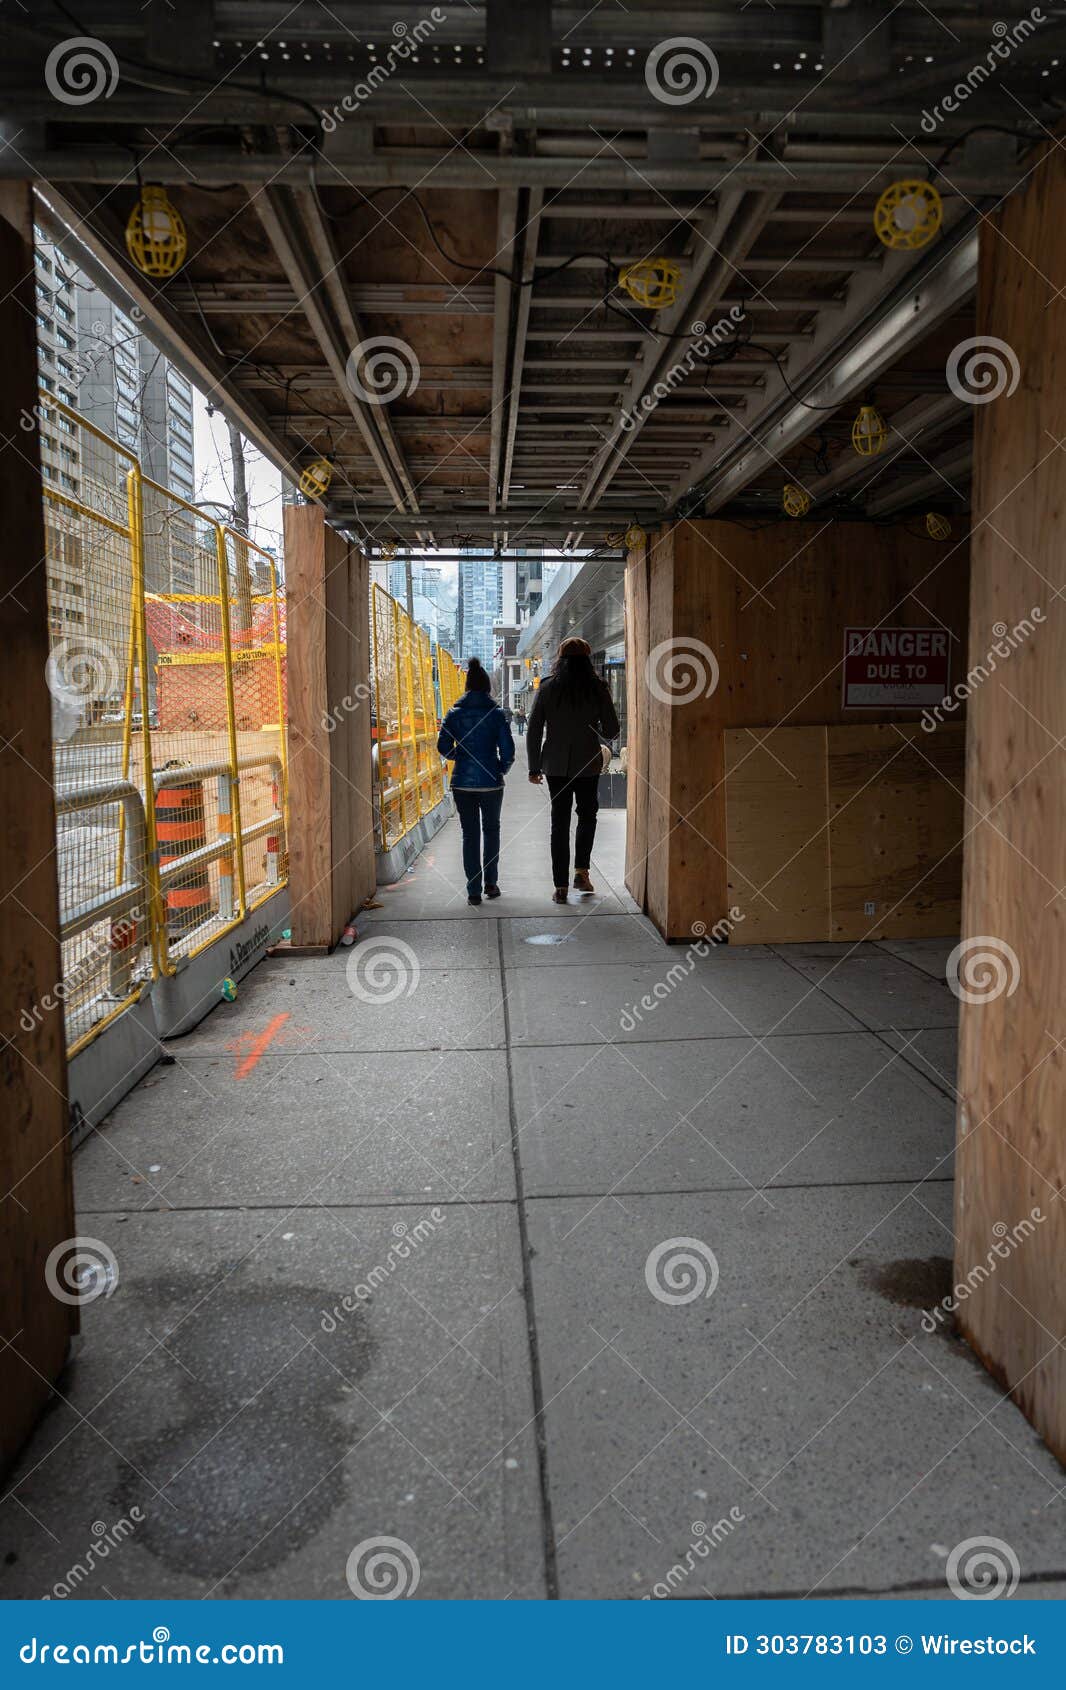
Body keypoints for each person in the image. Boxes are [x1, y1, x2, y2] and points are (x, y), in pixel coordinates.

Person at [526, 636, 620, 904]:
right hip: (588, 765)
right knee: (587, 817)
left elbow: (534, 730)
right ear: (587, 659)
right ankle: (581, 871)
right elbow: (612, 730)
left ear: (560, 659)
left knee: (559, 823)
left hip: (555, 766)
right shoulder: (598, 688)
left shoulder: (547, 688)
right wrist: (595, 730)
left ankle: (560, 887)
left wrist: (534, 767)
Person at [437, 658, 515, 906]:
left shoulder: (453, 713)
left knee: (469, 835)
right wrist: (499, 768)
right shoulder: (496, 714)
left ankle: (473, 891)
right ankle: (490, 884)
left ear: (467, 686)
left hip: (462, 784)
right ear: (487, 687)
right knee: (491, 831)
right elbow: (508, 750)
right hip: (491, 783)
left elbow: (443, 747)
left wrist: (458, 757)